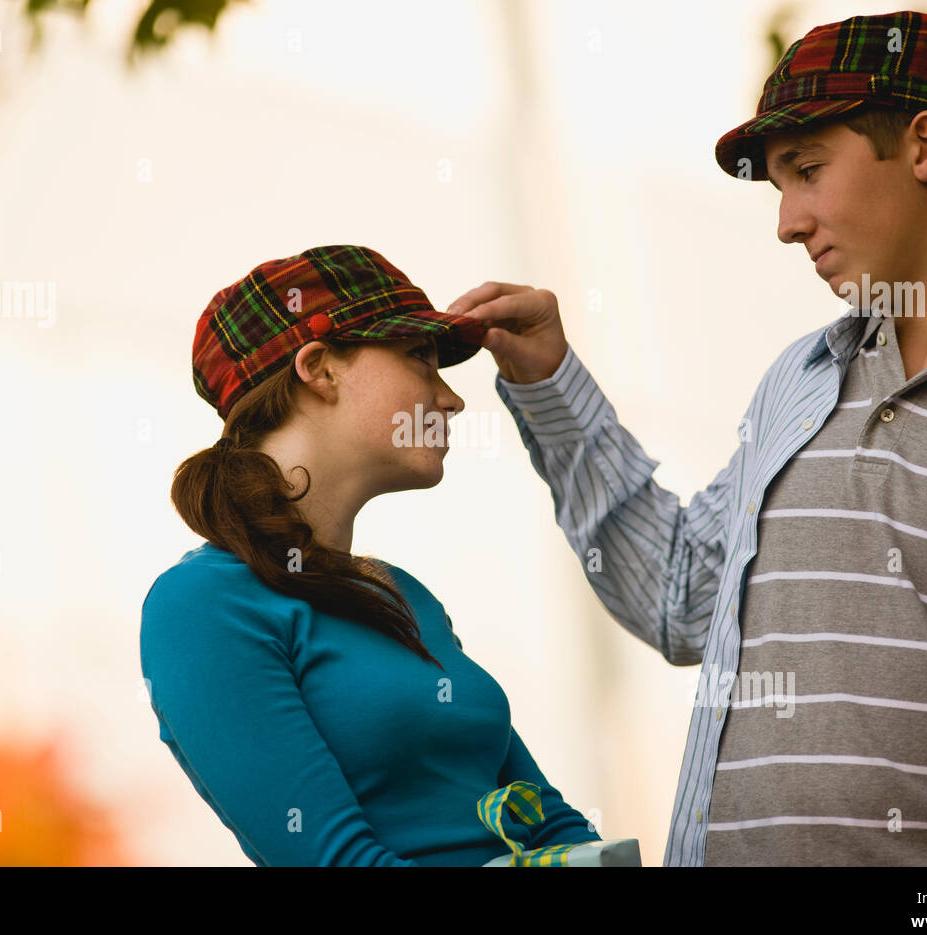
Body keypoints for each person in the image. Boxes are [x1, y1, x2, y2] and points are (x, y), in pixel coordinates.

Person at [448, 10, 927, 866]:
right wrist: (549, 381)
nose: (786, 222)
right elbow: (683, 597)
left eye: (809, 172)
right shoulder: (799, 383)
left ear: (926, 146)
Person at [139, 244, 601, 866]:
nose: (451, 399)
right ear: (319, 368)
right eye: (420, 360)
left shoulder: (402, 594)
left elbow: (547, 822)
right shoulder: (202, 605)